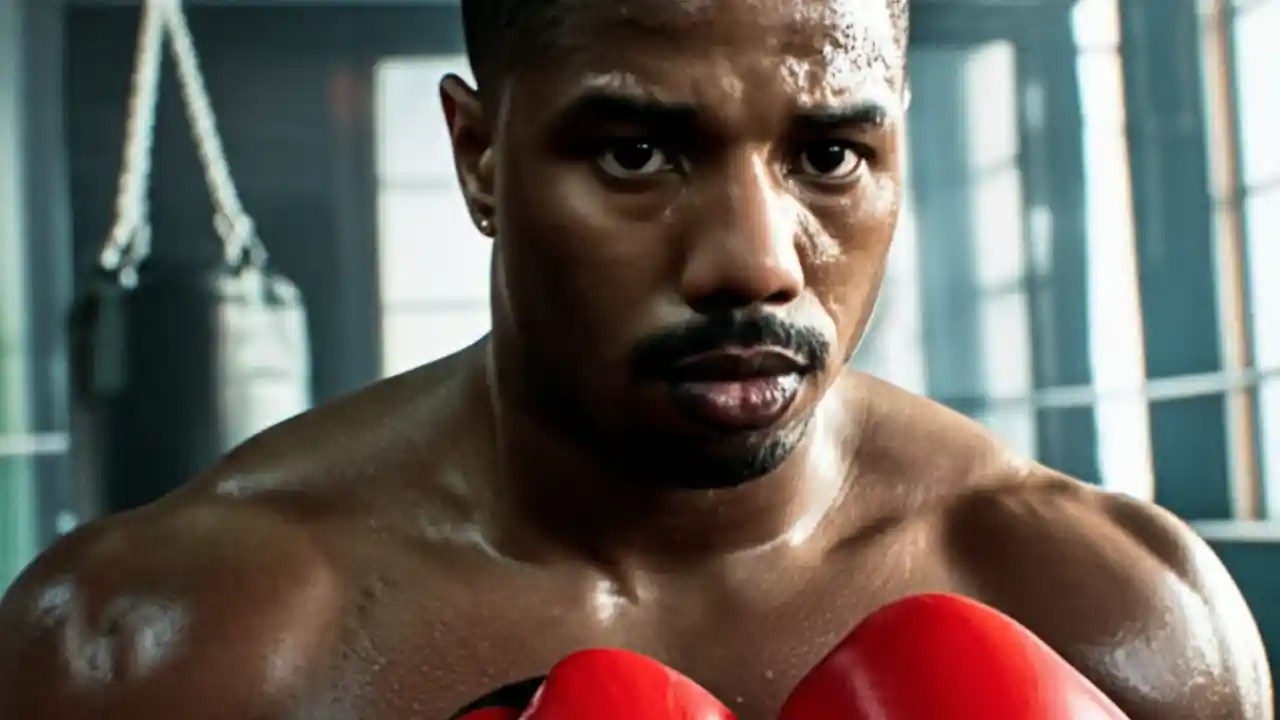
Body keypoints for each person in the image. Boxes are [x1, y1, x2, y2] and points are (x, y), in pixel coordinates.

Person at [0, 0, 1272, 717]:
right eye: (634, 152)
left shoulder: (1119, 621)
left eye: (828, 154)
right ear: (480, 157)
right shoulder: (157, 653)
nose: (753, 262)